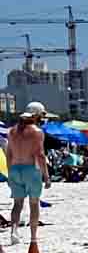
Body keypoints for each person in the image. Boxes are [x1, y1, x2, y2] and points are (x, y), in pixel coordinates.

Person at [7, 101, 50, 237]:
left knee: (17, 203)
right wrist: (46, 176)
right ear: (36, 115)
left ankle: (14, 231)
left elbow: (9, 154)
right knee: (34, 203)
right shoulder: (37, 132)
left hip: (14, 169)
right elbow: (40, 155)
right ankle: (33, 236)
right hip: (30, 169)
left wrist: (9, 173)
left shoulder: (12, 131)